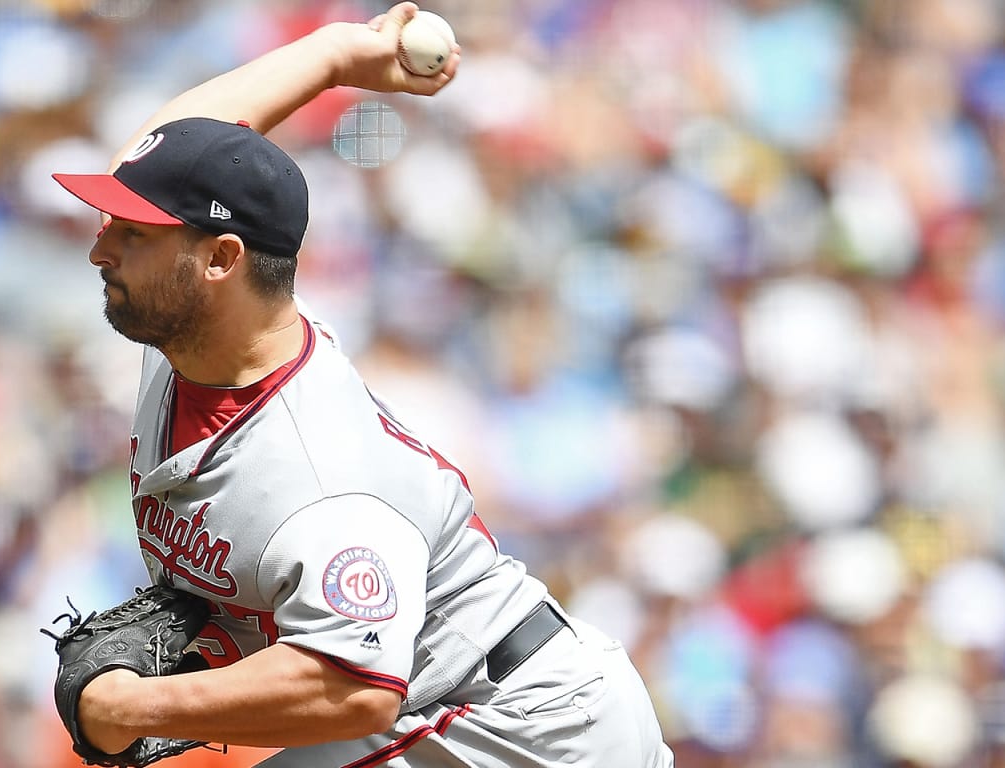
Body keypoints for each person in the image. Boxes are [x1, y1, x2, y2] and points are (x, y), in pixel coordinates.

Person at [49, 4, 674, 765]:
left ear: (220, 261)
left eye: (131, 233)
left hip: (524, 729)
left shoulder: (318, 469)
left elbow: (352, 686)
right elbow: (187, 136)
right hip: (433, 698)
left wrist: (130, 705)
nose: (99, 249)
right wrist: (336, 56)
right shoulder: (193, 327)